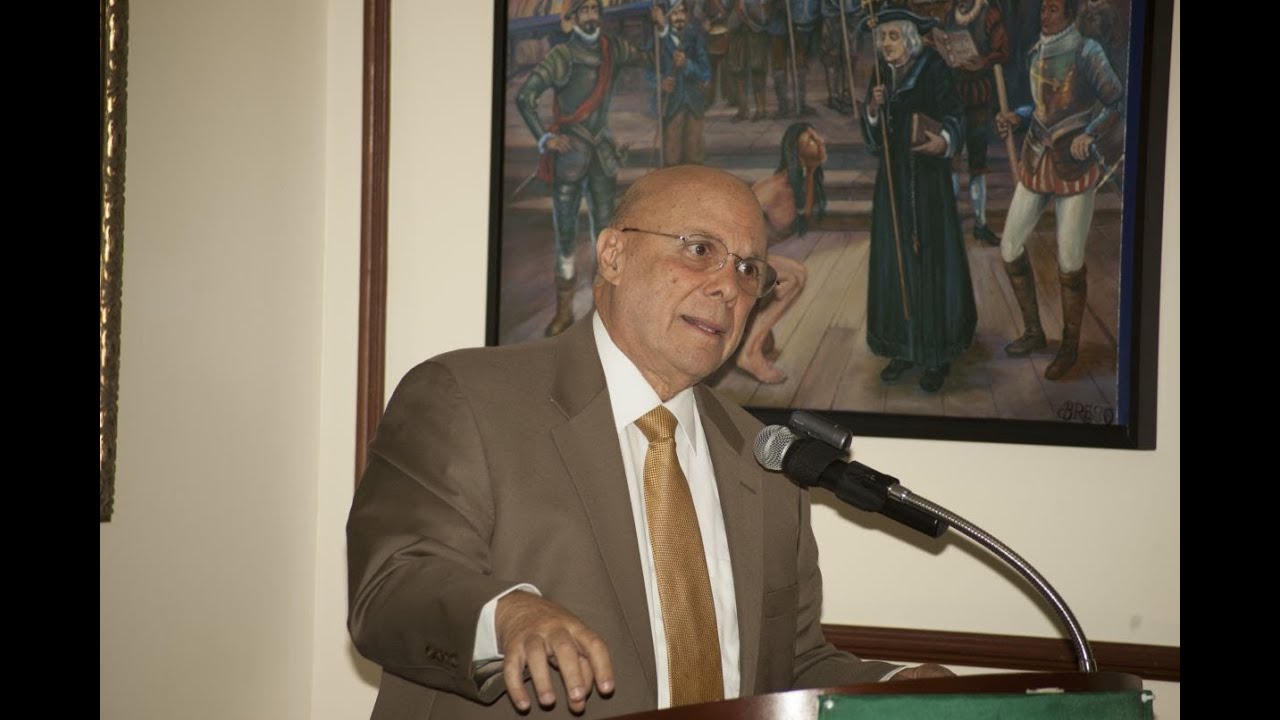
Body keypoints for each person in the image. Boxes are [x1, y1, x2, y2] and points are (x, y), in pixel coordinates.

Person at [348, 165, 952, 719]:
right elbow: (392, 587)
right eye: (699, 250)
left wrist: (897, 683)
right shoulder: (468, 397)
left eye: (750, 270)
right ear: (612, 254)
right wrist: (509, 615)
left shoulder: (766, 458)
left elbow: (784, 669)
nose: (728, 288)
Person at [515, 0, 660, 338]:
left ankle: (604, 315)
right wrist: (544, 139)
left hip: (602, 153)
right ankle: (564, 313)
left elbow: (648, 58)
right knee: (565, 234)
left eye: (596, 10)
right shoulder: (562, 57)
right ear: (574, 18)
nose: (592, 17)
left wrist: (661, 28)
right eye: (585, 11)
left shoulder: (613, 49)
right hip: (569, 154)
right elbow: (525, 97)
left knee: (607, 238)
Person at [994, 0, 1122, 380]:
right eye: (1044, 9)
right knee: (1010, 246)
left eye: (1052, 10)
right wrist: (1017, 115)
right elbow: (1042, 107)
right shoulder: (1038, 49)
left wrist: (1090, 133)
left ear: (1068, 13)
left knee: (1069, 260)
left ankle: (1069, 345)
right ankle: (1034, 332)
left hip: (1075, 163)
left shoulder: (1087, 50)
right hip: (1037, 157)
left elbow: (1116, 101)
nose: (1044, 16)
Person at [860, 8, 977, 393]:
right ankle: (902, 347)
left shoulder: (933, 69)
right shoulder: (881, 76)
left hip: (927, 183)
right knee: (895, 263)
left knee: (930, 263)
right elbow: (874, 137)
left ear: (910, 38)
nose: (886, 45)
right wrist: (875, 110)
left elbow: (956, 116)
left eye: (893, 37)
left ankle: (935, 355)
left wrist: (943, 141)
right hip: (892, 184)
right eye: (883, 39)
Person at [737, 122, 826, 383]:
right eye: (811, 139)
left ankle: (752, 339)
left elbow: (804, 215)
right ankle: (748, 353)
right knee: (795, 275)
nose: (820, 140)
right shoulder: (773, 188)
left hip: (754, 264)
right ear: (796, 152)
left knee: (769, 342)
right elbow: (735, 223)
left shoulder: (800, 185)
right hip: (736, 259)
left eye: (815, 135)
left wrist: (811, 171)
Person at [941, 0, 1010, 246]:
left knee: (977, 163)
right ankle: (949, 223)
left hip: (978, 96)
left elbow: (1003, 51)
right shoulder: (951, 14)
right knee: (951, 158)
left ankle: (980, 223)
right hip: (953, 97)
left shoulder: (989, 12)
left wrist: (982, 61)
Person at [646, 0, 712, 166]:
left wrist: (688, 65)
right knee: (672, 156)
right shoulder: (656, 38)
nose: (679, 17)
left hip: (693, 105)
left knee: (694, 156)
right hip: (671, 105)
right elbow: (648, 72)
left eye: (682, 12)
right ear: (666, 16)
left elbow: (705, 71)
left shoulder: (694, 36)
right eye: (674, 13)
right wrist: (660, 83)